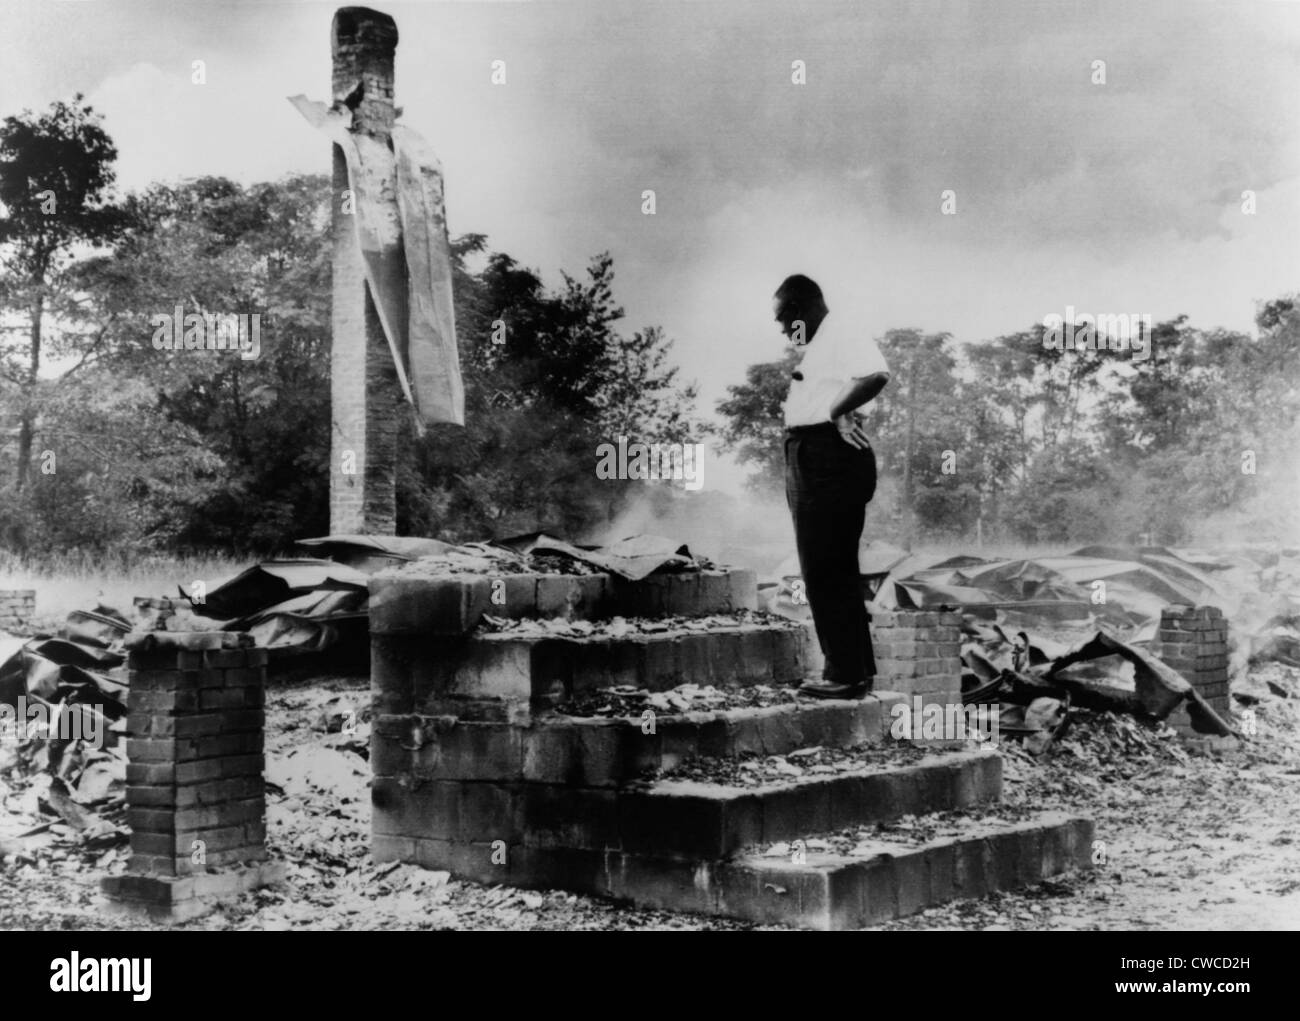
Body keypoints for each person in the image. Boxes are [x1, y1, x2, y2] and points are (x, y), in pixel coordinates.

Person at [775, 274, 891, 699]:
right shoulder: (820, 345)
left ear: (800, 308)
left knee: (825, 570)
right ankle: (853, 671)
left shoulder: (839, 330)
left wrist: (839, 411)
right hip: (813, 456)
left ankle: (845, 675)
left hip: (826, 458)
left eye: (783, 318)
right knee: (832, 569)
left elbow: (877, 374)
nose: (783, 329)